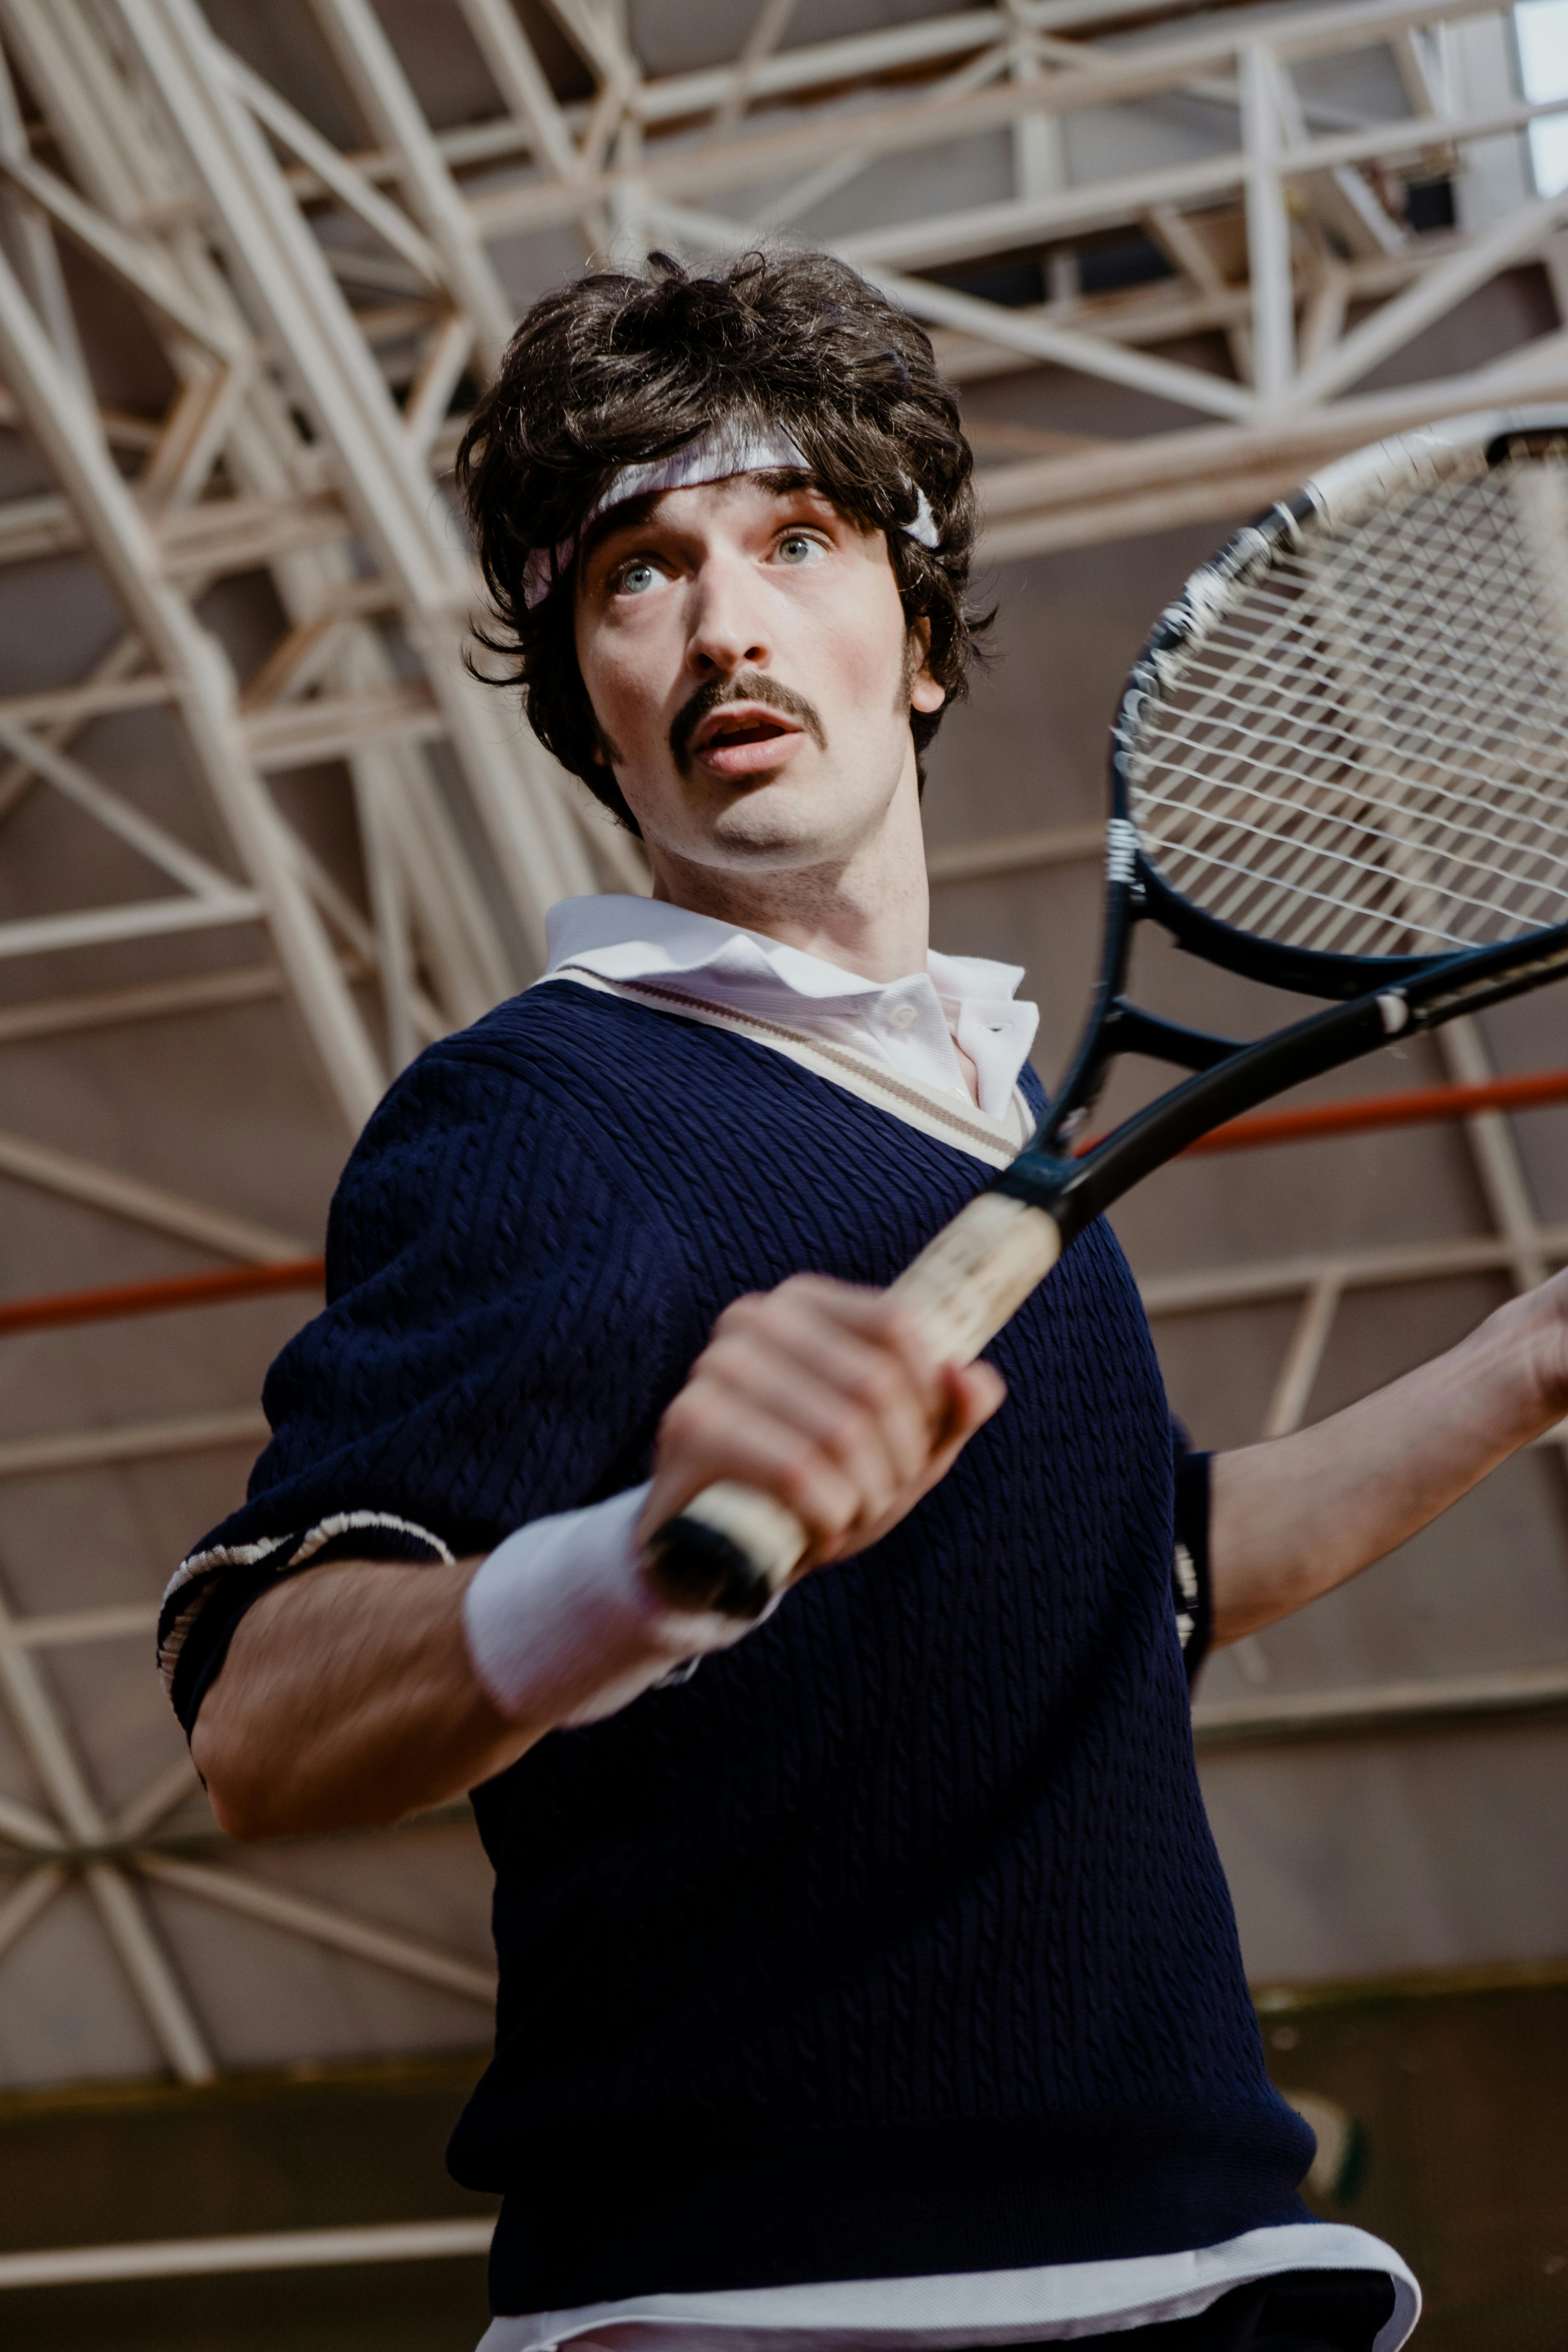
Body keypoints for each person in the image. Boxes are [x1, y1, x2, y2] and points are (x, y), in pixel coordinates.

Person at [160, 253, 1567, 2352]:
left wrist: (1524, 1365)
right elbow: (263, 1719)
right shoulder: (542, 1109)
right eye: (639, 572)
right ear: (591, 702)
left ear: (913, 637)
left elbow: (1127, 1581)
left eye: (795, 538)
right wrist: (636, 1562)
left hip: (1196, 2263)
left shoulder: (990, 1121)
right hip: (786, 2302)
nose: (722, 617)